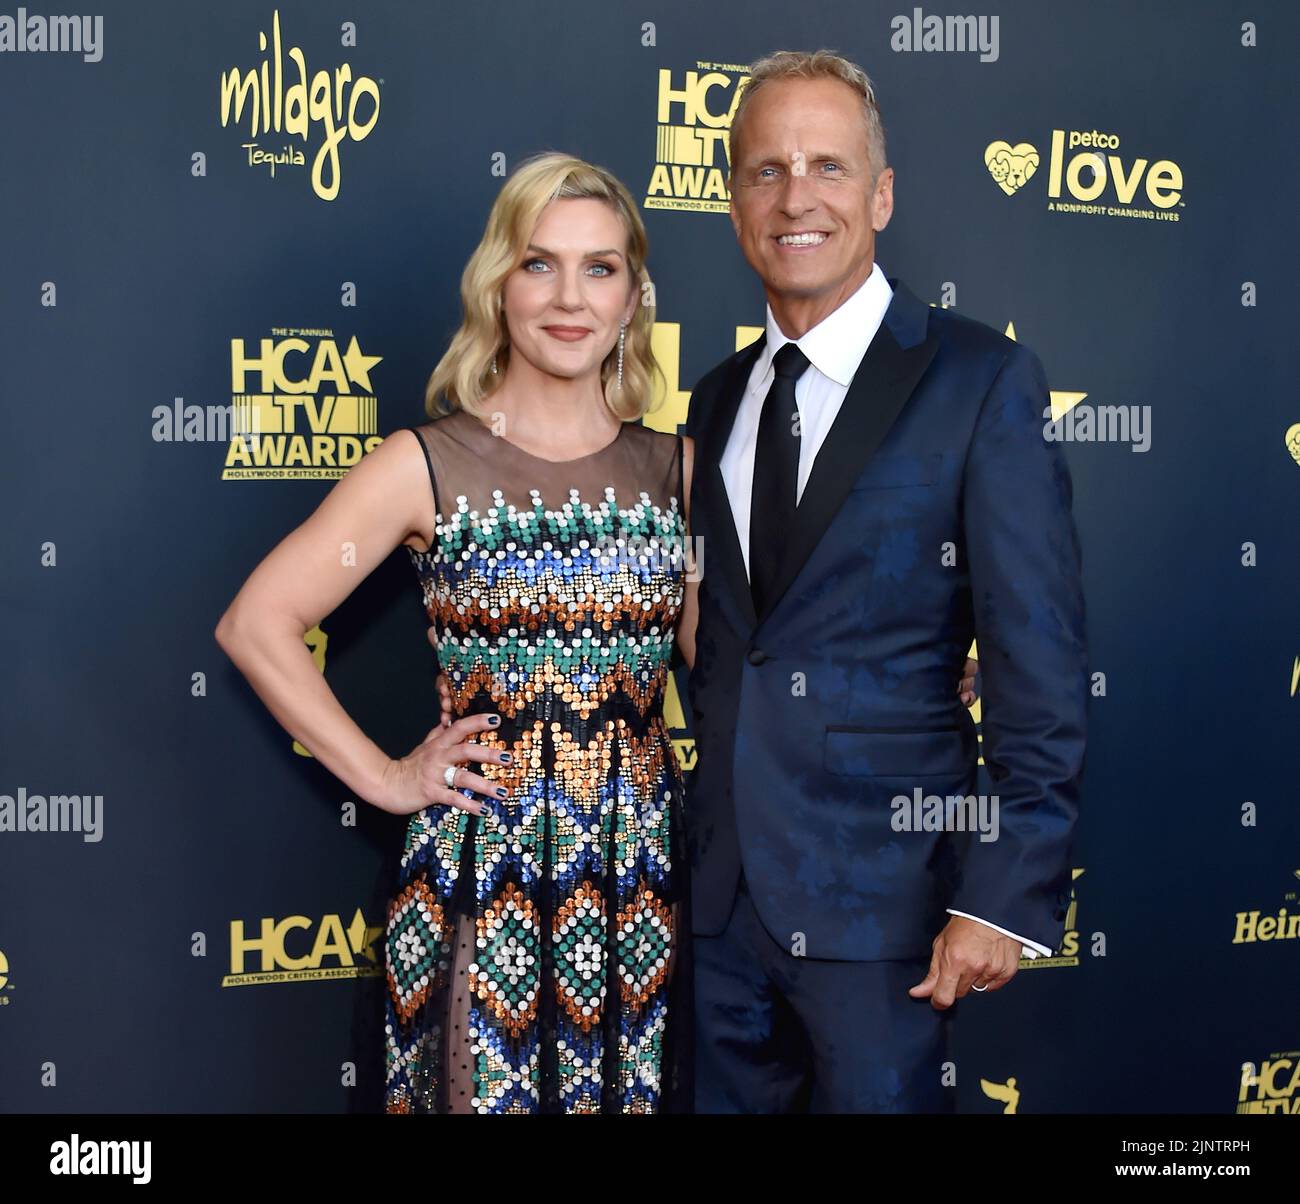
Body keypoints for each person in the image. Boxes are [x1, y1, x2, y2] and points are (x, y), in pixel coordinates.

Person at [216, 152, 696, 1114]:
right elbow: (258, 623)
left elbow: (739, 668)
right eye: (539, 263)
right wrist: (389, 777)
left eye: (600, 267)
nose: (570, 297)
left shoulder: (677, 471)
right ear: (497, 285)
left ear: (634, 295)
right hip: (484, 873)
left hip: (639, 882)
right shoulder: (424, 465)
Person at [681, 50, 1088, 1113]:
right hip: (716, 912)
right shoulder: (715, 398)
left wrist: (1002, 897)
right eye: (765, 170)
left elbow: (1035, 661)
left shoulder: (978, 380)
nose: (795, 196)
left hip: (887, 913)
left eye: (826, 165)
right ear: (733, 203)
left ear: (881, 192)